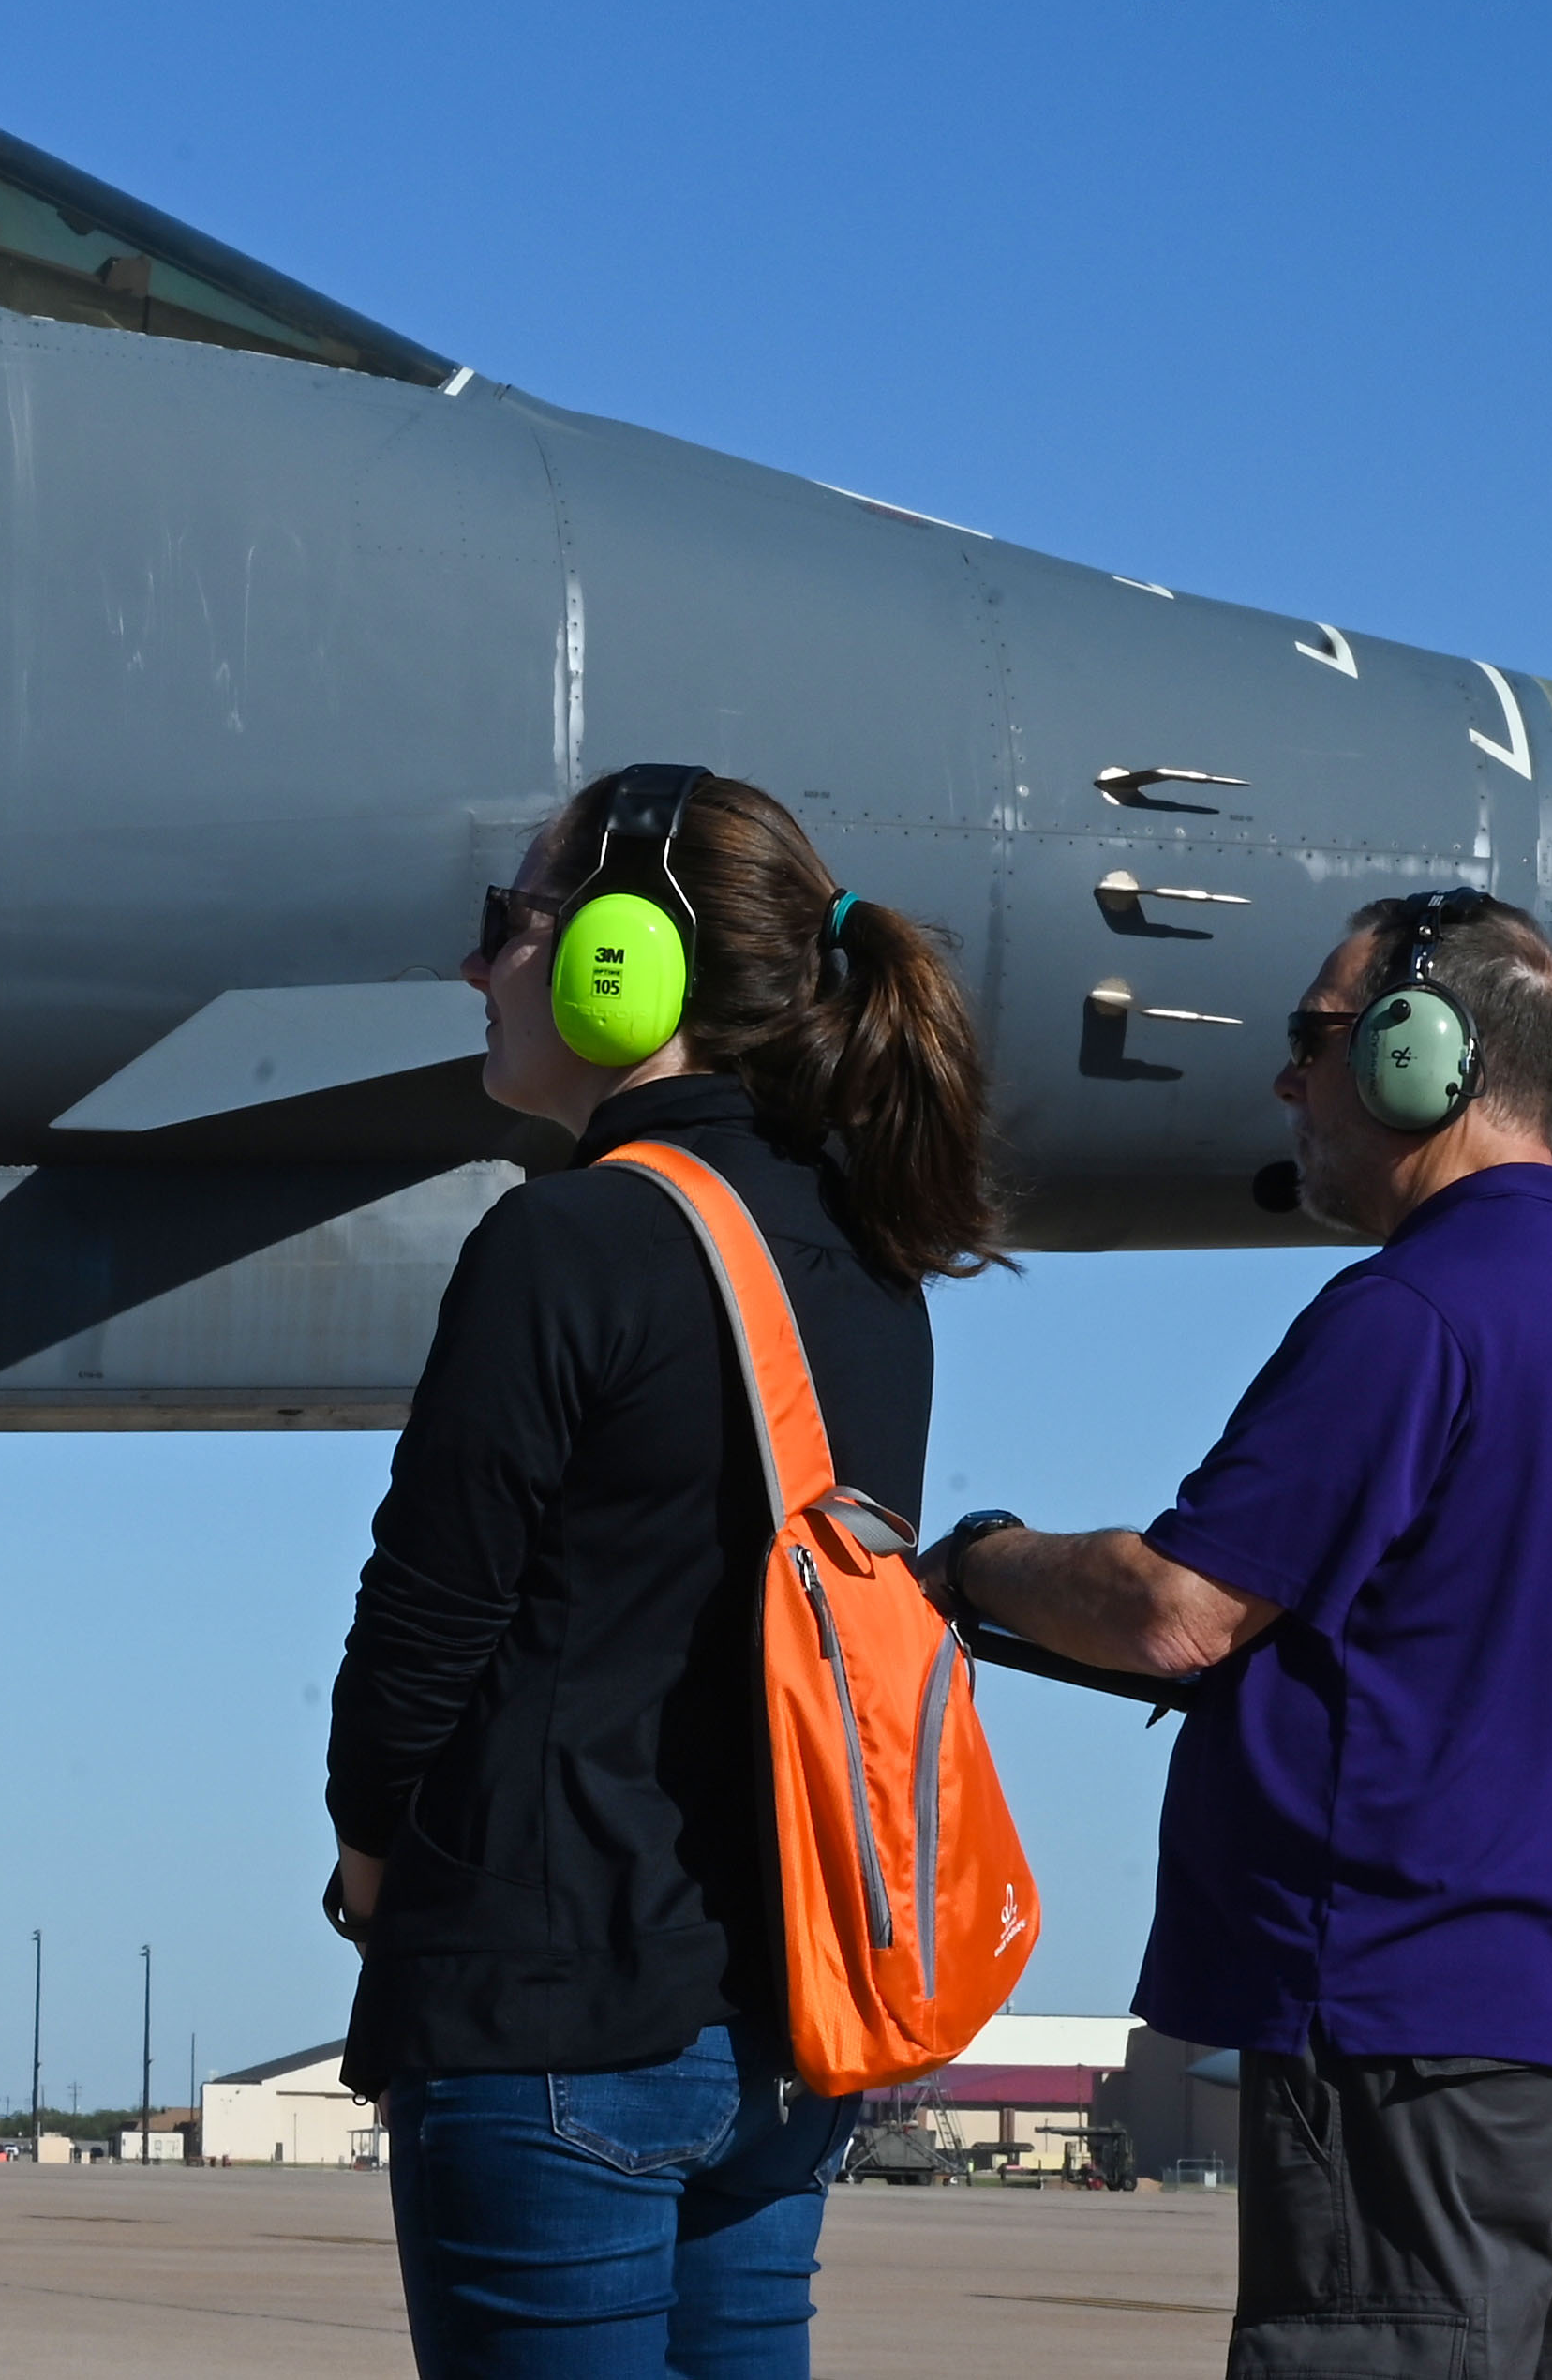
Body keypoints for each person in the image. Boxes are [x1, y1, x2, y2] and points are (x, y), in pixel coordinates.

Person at [924, 891, 1552, 2380]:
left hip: (1410, 2024)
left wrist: (979, 1564)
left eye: (1314, 1039)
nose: (1287, 1081)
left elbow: (1176, 1610)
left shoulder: (1414, 1315)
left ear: (1420, 1056)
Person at [330, 767, 1002, 2377]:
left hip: (552, 2023)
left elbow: (424, 1626)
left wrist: (371, 1859)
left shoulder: (563, 1243)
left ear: (621, 956)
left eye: (509, 923)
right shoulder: (871, 1270)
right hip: (779, 2036)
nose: (477, 966)